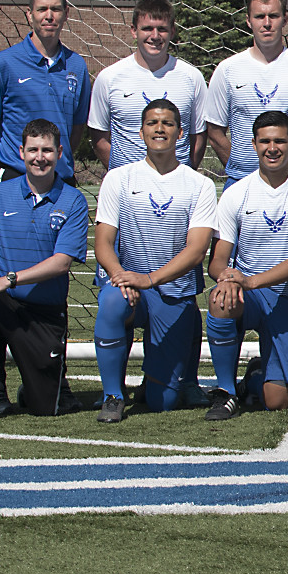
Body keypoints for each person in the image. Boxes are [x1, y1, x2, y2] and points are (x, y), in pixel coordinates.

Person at [0, 118, 90, 424]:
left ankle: (39, 383)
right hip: (1, 299)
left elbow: (62, 262)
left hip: (43, 311)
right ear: (21, 152)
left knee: (44, 407)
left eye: (47, 150)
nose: (40, 157)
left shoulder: (73, 200)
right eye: (34, 149)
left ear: (60, 152)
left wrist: (9, 280)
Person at [90, 99, 218, 422]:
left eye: (167, 123)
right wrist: (121, 276)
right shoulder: (118, 179)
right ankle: (112, 395)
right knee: (110, 301)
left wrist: (148, 279)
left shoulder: (199, 184)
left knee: (163, 401)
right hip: (129, 287)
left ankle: (163, 376)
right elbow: (103, 241)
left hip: (171, 291)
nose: (159, 128)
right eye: (152, 123)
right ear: (141, 131)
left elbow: (197, 249)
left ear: (180, 133)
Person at [204, 111, 288, 421]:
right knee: (220, 298)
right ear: (253, 144)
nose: (272, 148)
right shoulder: (236, 192)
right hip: (251, 296)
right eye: (265, 141)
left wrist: (248, 281)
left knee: (278, 400)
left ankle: (257, 375)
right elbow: (218, 260)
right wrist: (227, 278)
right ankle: (225, 392)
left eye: (279, 141)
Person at [205, 0, 288, 188]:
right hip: (240, 181)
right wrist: (239, 168)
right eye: (259, 16)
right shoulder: (227, 70)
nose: (267, 23)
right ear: (248, 21)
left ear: (285, 19)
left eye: (273, 16)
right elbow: (215, 131)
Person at [0, 0, 93, 186]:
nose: (49, 16)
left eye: (55, 9)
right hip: (15, 178)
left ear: (66, 13)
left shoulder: (77, 66)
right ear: (29, 14)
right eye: (42, 9)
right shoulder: (3, 63)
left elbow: (77, 126)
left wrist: (58, 161)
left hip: (61, 180)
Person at [87, 0, 208, 171]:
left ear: (172, 31)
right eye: (147, 28)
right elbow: (99, 137)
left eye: (162, 29)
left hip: (176, 184)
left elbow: (198, 137)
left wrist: (183, 174)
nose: (155, 36)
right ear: (134, 31)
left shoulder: (192, 77)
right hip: (128, 186)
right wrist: (121, 175)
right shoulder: (109, 77)